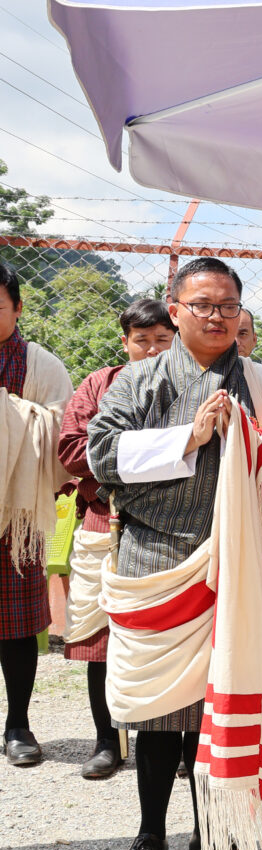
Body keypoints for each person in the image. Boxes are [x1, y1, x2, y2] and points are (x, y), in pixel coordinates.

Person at [87, 257, 262, 850]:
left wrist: (259, 442)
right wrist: (190, 436)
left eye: (228, 306)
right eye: (203, 305)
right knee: (157, 712)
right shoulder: (137, 380)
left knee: (223, 701)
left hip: (238, 566)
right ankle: (149, 834)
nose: (216, 317)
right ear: (175, 310)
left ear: (241, 314)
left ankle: (216, 832)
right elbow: (100, 455)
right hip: (155, 557)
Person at [55, 298, 176, 780]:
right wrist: (154, 456)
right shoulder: (98, 385)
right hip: (104, 522)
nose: (150, 351)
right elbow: (70, 448)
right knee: (99, 638)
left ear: (176, 340)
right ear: (124, 341)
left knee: (165, 635)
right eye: (141, 341)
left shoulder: (186, 387)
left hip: (169, 526)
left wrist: (121, 455)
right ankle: (107, 742)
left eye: (161, 341)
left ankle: (169, 742)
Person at [0, 261, 72, 768]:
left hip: (17, 518)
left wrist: (13, 415)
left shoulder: (39, 363)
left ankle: (19, 723)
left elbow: (60, 431)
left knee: (17, 625)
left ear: (18, 307)